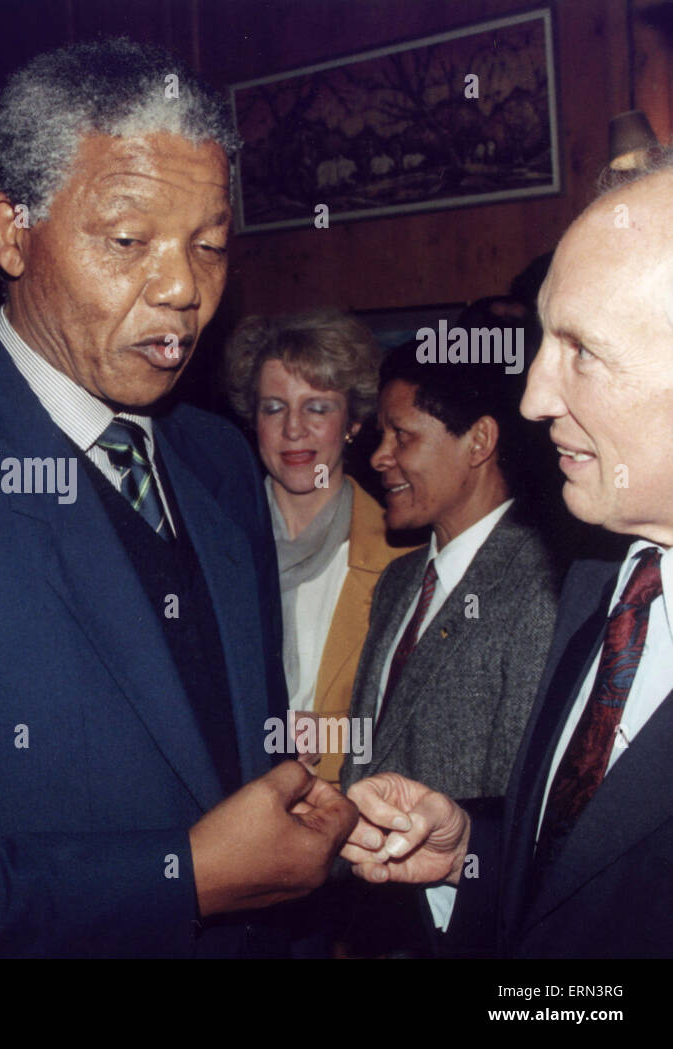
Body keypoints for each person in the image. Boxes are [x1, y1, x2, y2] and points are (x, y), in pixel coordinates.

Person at [0, 38, 357, 958]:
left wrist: (345, 837)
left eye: (209, 247)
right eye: (128, 242)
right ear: (13, 232)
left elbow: (238, 776)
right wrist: (182, 876)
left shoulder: (216, 458)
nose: (181, 289)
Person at [343, 155, 673, 958]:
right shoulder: (602, 582)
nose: (531, 397)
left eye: (580, 350)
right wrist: (468, 851)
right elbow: (581, 875)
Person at [342, 347, 558, 798]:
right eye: (382, 435)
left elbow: (512, 798)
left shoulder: (541, 588)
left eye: (402, 436)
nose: (380, 457)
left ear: (479, 441)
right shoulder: (398, 582)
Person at [225, 309, 416, 786]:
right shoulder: (214, 546)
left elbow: (422, 732)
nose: (293, 429)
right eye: (274, 407)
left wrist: (329, 737)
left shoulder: (404, 558)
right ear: (253, 420)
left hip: (352, 822)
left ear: (353, 422)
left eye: (317, 408)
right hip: (229, 816)